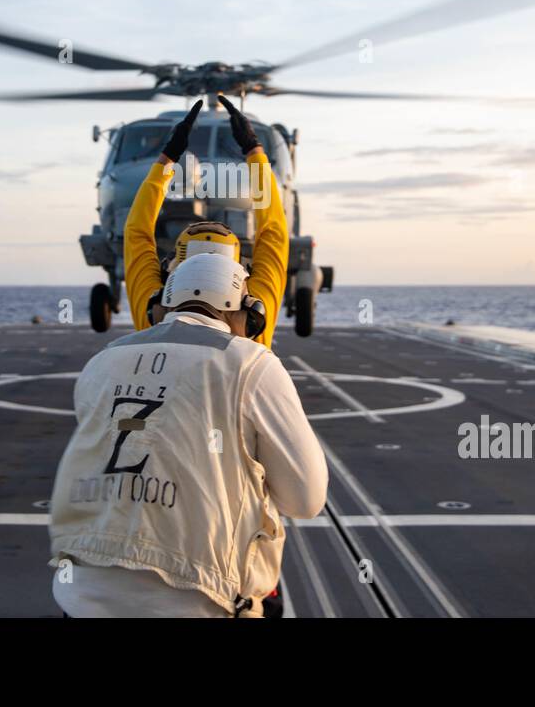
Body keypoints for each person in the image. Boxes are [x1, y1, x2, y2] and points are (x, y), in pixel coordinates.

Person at [48, 251, 328, 617]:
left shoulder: (102, 361)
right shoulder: (252, 364)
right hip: (196, 599)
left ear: (160, 308)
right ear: (246, 312)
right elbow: (305, 501)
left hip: (82, 595)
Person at [123, 97, 289, 349]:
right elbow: (274, 232)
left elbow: (137, 233)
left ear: (174, 267)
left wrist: (167, 159)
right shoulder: (255, 315)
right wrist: (254, 150)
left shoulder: (153, 311)